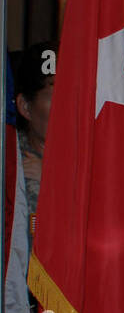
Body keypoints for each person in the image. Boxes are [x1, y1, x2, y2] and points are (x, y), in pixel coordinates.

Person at [14, 41, 55, 218]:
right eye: (58, 96)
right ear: (25, 107)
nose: (70, 107)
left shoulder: (98, 161)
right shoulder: (9, 162)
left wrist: (52, 178)